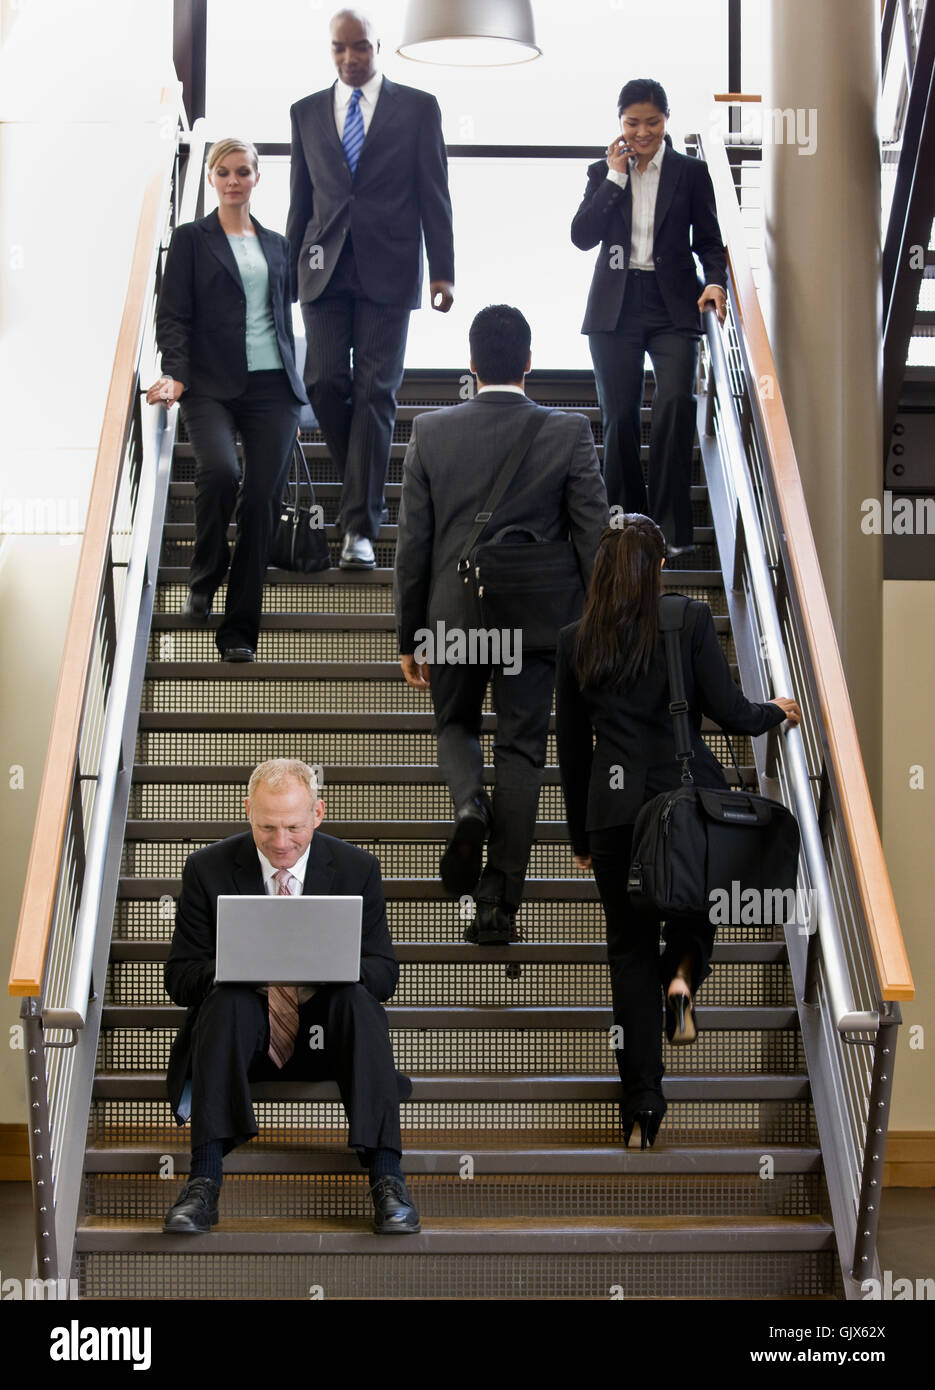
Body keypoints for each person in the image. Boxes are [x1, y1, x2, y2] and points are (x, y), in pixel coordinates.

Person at [555, 517, 800, 1149]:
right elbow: (731, 712)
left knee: (627, 953)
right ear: (658, 564)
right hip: (686, 808)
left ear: (601, 570)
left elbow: (573, 751)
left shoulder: (576, 640)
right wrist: (776, 710)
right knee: (695, 912)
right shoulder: (686, 619)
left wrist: (581, 837)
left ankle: (642, 1109)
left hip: (613, 814)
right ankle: (684, 977)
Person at [395, 305, 608, 944]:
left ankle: (468, 809)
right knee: (521, 750)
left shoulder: (430, 432)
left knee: (455, 723)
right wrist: (596, 625)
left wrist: (409, 635)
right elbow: (594, 537)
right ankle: (497, 904)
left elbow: (413, 545)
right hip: (535, 620)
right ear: (529, 363)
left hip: (455, 613)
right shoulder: (567, 432)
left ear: (470, 365)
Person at [162, 758, 420, 1236]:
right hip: (243, 1042)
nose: (281, 843)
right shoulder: (206, 868)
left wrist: (332, 966)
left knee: (359, 1002)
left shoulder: (356, 868)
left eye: (294, 827)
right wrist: (238, 968)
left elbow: (385, 975)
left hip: (328, 1041)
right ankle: (203, 1182)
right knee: (224, 1001)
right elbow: (179, 979)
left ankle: (387, 1178)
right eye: (267, 827)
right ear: (247, 813)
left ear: (318, 814)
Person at [287, 7, 455, 570]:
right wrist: (289, 273)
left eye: (359, 47)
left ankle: (360, 528)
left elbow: (435, 191)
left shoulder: (418, 107)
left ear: (378, 45)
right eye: (339, 49)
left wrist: (443, 270)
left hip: (390, 267)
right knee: (324, 381)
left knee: (376, 392)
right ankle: (361, 475)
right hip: (322, 266)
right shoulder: (306, 112)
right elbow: (300, 201)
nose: (350, 58)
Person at [148, 138, 308, 662]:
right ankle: (206, 572)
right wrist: (175, 374)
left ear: (257, 177)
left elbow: (281, 318)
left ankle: (240, 629)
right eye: (223, 172)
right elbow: (173, 314)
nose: (234, 180)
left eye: (243, 171)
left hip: (273, 390)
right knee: (219, 472)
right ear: (212, 179)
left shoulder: (279, 244)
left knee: (261, 503)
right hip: (209, 384)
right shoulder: (191, 239)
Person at [571, 79, 728, 557]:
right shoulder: (603, 172)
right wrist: (616, 179)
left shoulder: (690, 172)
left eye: (652, 122)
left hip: (674, 303)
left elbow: (708, 239)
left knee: (676, 404)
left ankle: (670, 531)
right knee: (619, 419)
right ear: (620, 124)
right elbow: (582, 235)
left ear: (666, 120)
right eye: (632, 123)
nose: (643, 132)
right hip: (615, 305)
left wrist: (715, 281)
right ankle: (625, 530)